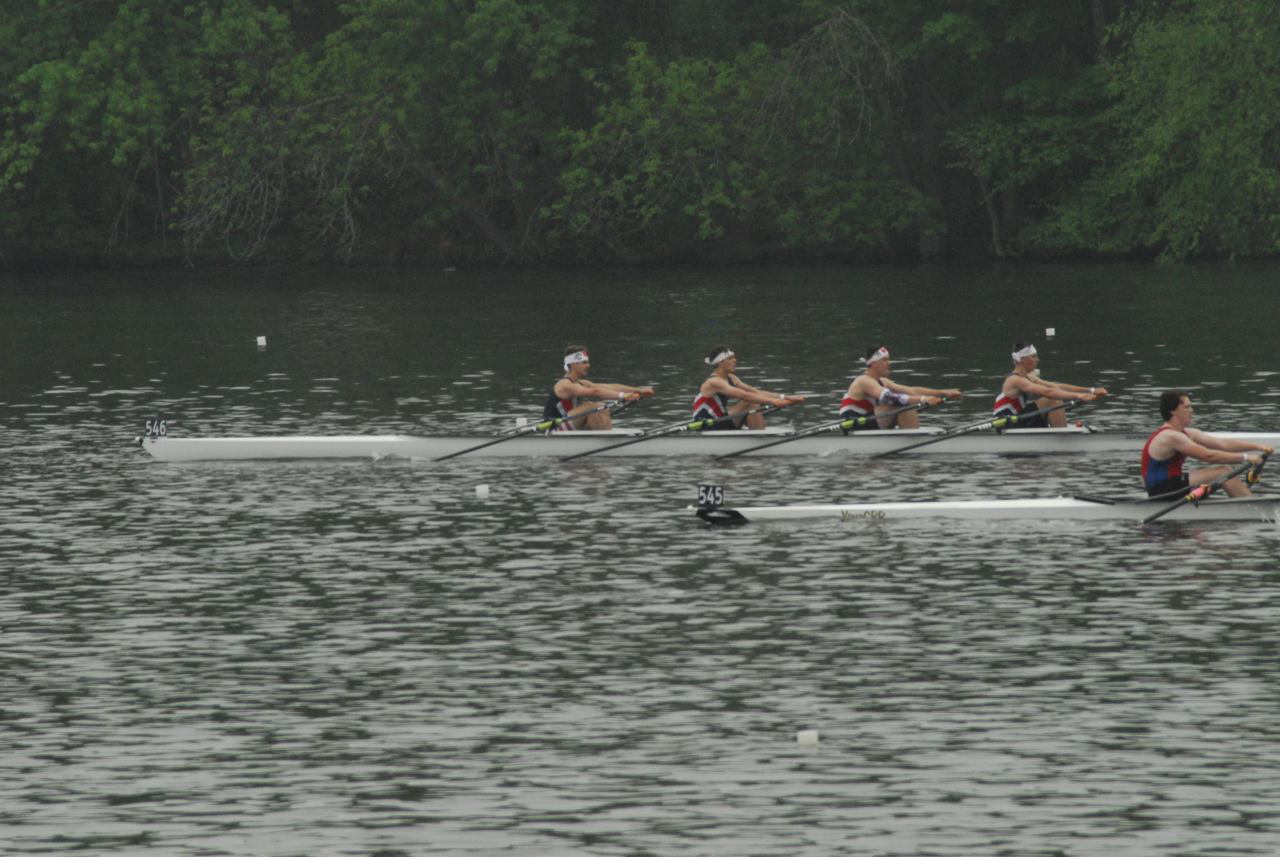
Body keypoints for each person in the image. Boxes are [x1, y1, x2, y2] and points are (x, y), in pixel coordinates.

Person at [1141, 390, 1273, 497]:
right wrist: (1246, 457)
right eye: (1187, 407)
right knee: (1223, 471)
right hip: (1161, 490)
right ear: (1172, 411)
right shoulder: (1169, 436)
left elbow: (1222, 444)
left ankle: (1242, 501)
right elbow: (1208, 456)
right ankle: (1251, 507)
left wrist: (1258, 447)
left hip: (1175, 483)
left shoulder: (1188, 433)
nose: (1192, 410)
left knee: (1223, 472)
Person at [839, 345, 962, 430]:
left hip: (869, 423)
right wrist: (923, 399)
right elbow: (889, 397)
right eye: (885, 360)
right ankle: (914, 441)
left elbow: (912, 391)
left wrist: (942, 393)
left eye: (889, 360)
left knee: (906, 400)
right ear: (874, 364)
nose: (889, 363)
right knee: (903, 403)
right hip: (854, 427)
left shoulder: (883, 381)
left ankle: (911, 436)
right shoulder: (863, 381)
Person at [993, 341, 1108, 428]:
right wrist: (1078, 396)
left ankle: (1060, 431)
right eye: (1033, 356)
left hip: (1019, 418)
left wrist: (1090, 391)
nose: (1037, 360)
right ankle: (1063, 438)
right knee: (1051, 400)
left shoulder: (1029, 377)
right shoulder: (1015, 380)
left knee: (1054, 398)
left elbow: (1055, 386)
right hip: (1006, 424)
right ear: (1021, 359)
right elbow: (1047, 392)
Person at [692, 345, 805, 430]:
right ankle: (762, 438)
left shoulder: (732, 378)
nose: (735, 361)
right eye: (731, 358)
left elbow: (756, 392)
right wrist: (774, 401)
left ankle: (758, 433)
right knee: (750, 403)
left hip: (720, 419)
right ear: (720, 363)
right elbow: (744, 395)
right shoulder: (714, 382)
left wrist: (787, 398)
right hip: (706, 425)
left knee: (752, 401)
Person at [543, 346, 654, 430]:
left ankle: (605, 437)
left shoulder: (582, 383)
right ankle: (604, 441)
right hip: (553, 428)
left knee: (601, 406)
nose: (589, 365)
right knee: (589, 406)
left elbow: (611, 387)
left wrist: (639, 391)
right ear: (573, 365)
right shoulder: (564, 385)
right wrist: (623, 396)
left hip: (569, 425)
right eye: (584, 362)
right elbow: (594, 392)